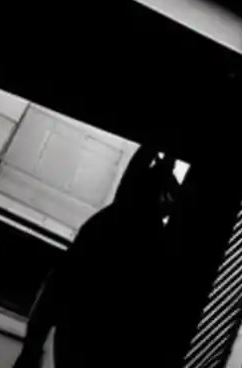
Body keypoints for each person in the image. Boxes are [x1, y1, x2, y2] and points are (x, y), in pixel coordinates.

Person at [14, 148, 179, 368]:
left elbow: (58, 286)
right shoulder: (149, 236)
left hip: (81, 328)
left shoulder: (111, 221)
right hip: (100, 335)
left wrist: (33, 345)